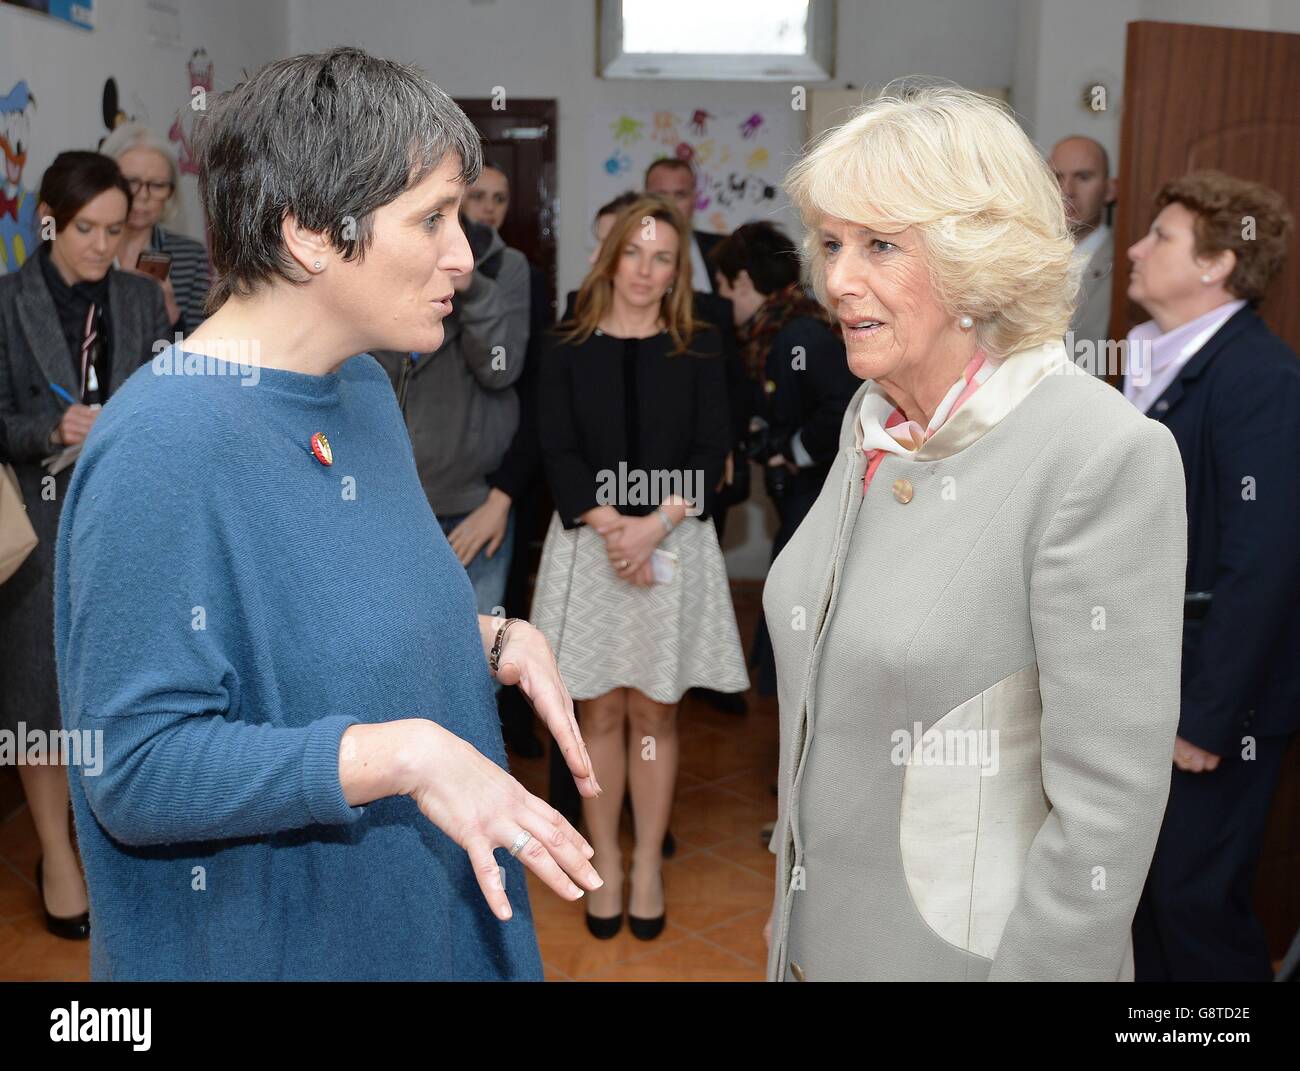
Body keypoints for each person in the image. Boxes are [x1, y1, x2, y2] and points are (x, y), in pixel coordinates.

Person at [53, 47, 603, 982]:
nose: (463, 256)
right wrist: (404, 755)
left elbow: (308, 632)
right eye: (430, 218)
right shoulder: (162, 444)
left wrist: (483, 641)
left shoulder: (360, 390)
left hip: (424, 929)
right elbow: (137, 768)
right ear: (309, 230)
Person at [764, 84, 1188, 982]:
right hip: (810, 940)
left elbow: (1105, 817)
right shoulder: (873, 415)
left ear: (977, 258)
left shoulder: (1100, 454)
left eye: (881, 244)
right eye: (833, 243)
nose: (839, 277)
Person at [531, 195, 748, 940]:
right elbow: (555, 447)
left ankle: (649, 860)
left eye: (662, 258)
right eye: (634, 253)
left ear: (676, 270)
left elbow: (710, 449)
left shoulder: (701, 345)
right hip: (590, 550)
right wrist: (612, 526)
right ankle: (608, 866)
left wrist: (652, 525)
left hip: (674, 542)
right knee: (598, 708)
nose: (646, 271)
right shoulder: (564, 342)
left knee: (655, 707)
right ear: (609, 254)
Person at [1122, 170, 1300, 982]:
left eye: (1160, 235)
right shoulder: (1152, 360)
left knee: (1193, 903)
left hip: (1218, 698)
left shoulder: (1260, 378)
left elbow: (1262, 566)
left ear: (1218, 263)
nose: (1136, 247)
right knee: (1150, 898)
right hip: (1154, 681)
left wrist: (1206, 717)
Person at [0, 150, 169, 940]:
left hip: (124, 518)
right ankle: (57, 855)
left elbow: (168, 400)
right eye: (85, 230)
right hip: (36, 527)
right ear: (49, 223)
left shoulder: (141, 299)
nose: (104, 244)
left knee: (119, 683)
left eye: (113, 227)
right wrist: (48, 427)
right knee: (41, 697)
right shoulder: (7, 304)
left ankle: (113, 842)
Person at [709, 221, 859, 697]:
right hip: (803, 497)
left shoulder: (799, 335)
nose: (719, 299)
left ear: (745, 282)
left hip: (815, 496)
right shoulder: (779, 330)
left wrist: (791, 451)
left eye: (721, 286)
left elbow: (842, 408)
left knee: (793, 612)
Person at [373, 211, 529, 620]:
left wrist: (474, 291)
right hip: (389, 499)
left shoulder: (505, 266)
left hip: (472, 504)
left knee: (480, 661)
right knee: (397, 649)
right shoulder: (382, 255)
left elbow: (501, 370)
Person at [100, 122, 213, 334]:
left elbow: (200, 357)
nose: (142, 196)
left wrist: (170, 311)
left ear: (170, 193)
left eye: (157, 185)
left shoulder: (190, 256)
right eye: (131, 182)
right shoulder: (85, 248)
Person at [1048, 135, 1117, 361]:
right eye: (1057, 177)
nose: (1067, 190)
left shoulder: (1128, 265)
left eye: (1083, 177)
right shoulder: (1020, 259)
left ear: (1109, 190)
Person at [645, 157, 724, 294]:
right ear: (644, 199)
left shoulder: (723, 249)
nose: (670, 205)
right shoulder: (625, 252)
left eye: (680, 195)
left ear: (694, 199)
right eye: (661, 195)